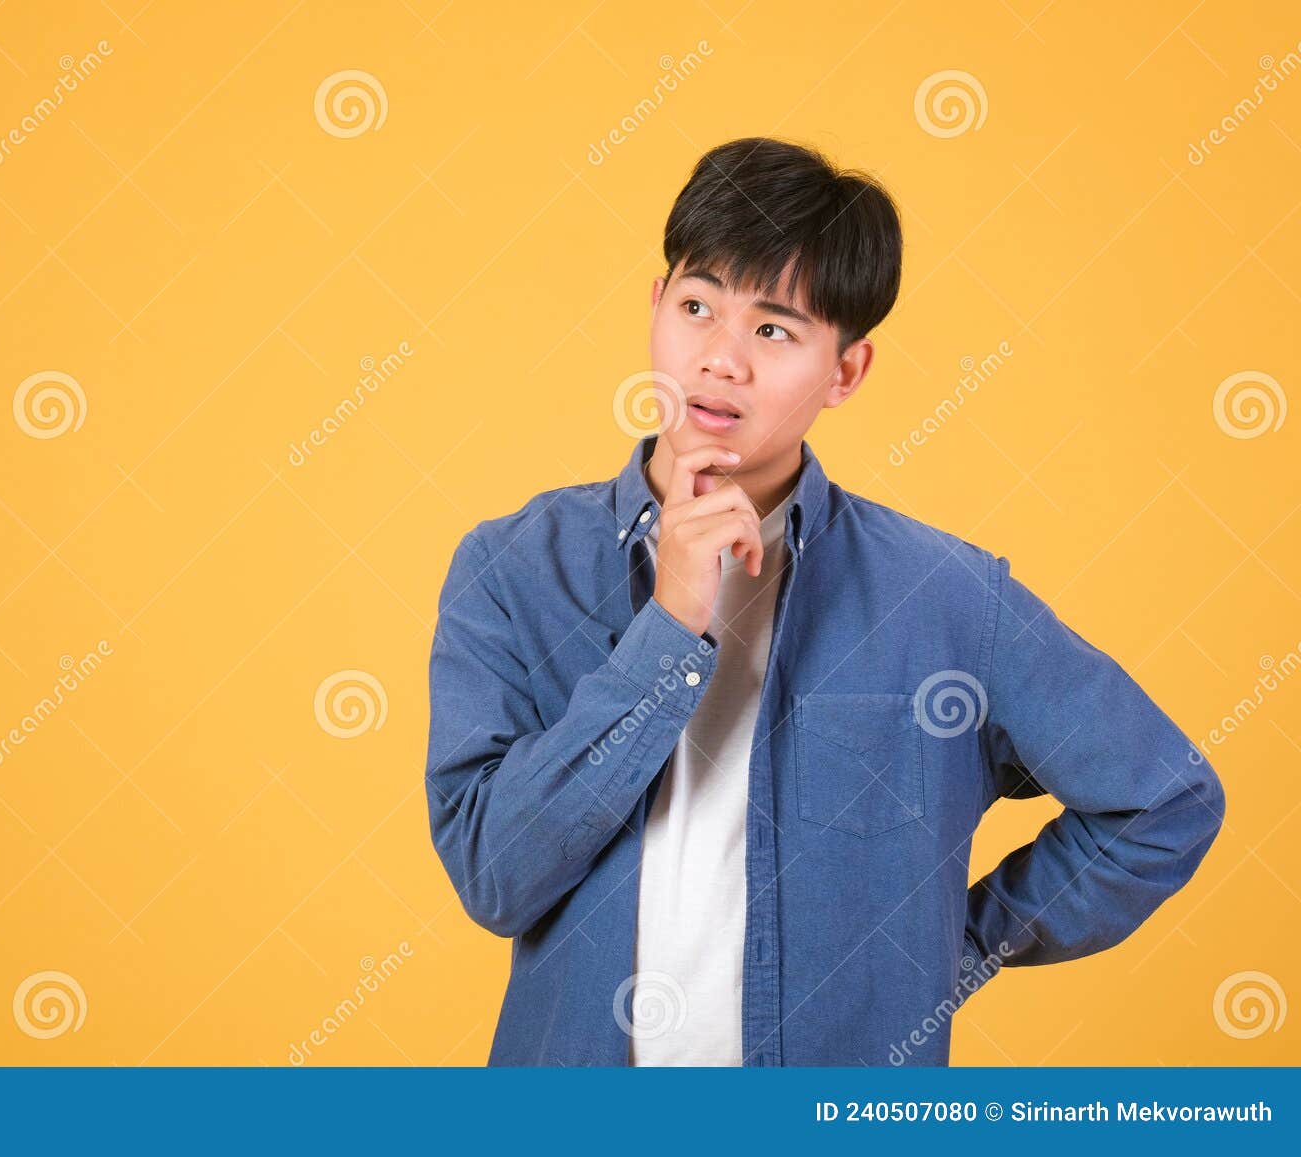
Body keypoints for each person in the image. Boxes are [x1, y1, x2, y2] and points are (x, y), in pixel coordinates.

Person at [422, 136, 1225, 1066]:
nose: (720, 360)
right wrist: (668, 629)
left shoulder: (946, 597)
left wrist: (945, 952)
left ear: (846, 371)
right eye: (696, 307)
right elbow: (493, 874)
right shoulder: (514, 567)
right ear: (655, 307)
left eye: (774, 330)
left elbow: (1162, 800)